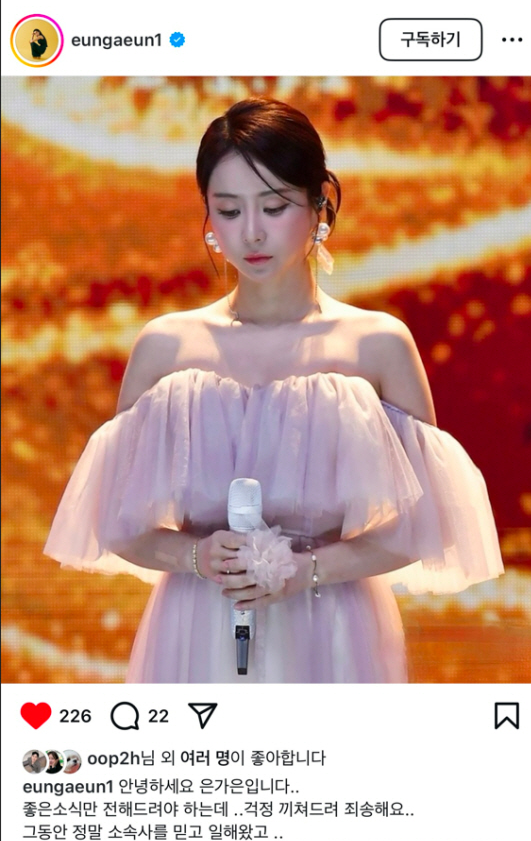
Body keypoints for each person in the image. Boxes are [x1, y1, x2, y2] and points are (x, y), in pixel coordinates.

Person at [44, 98, 503, 683]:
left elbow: (423, 524)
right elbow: (117, 521)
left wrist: (306, 570)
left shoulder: (377, 344)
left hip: (331, 624)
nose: (252, 232)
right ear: (208, 217)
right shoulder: (166, 346)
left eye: (275, 205)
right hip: (196, 625)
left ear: (319, 205)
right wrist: (195, 556)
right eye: (229, 210)